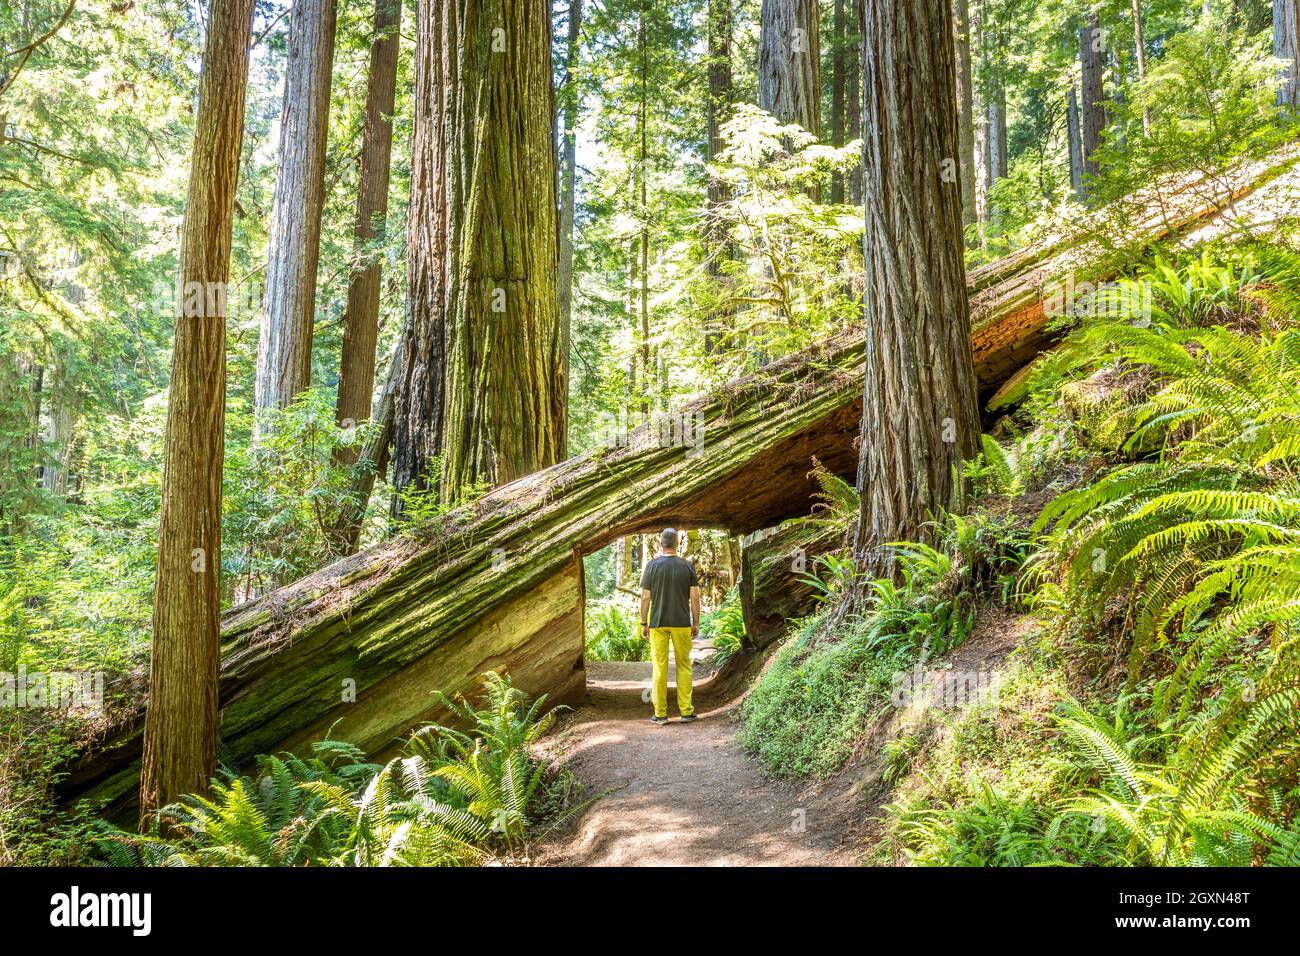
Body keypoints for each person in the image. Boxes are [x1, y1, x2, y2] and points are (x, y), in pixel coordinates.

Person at [639, 527, 701, 725]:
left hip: (658, 623)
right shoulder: (687, 566)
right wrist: (696, 622)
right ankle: (686, 711)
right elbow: (695, 596)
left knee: (659, 667)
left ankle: (661, 714)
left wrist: (644, 623)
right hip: (682, 623)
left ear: (661, 543)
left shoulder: (652, 566)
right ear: (677, 543)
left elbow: (645, 597)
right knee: (684, 665)